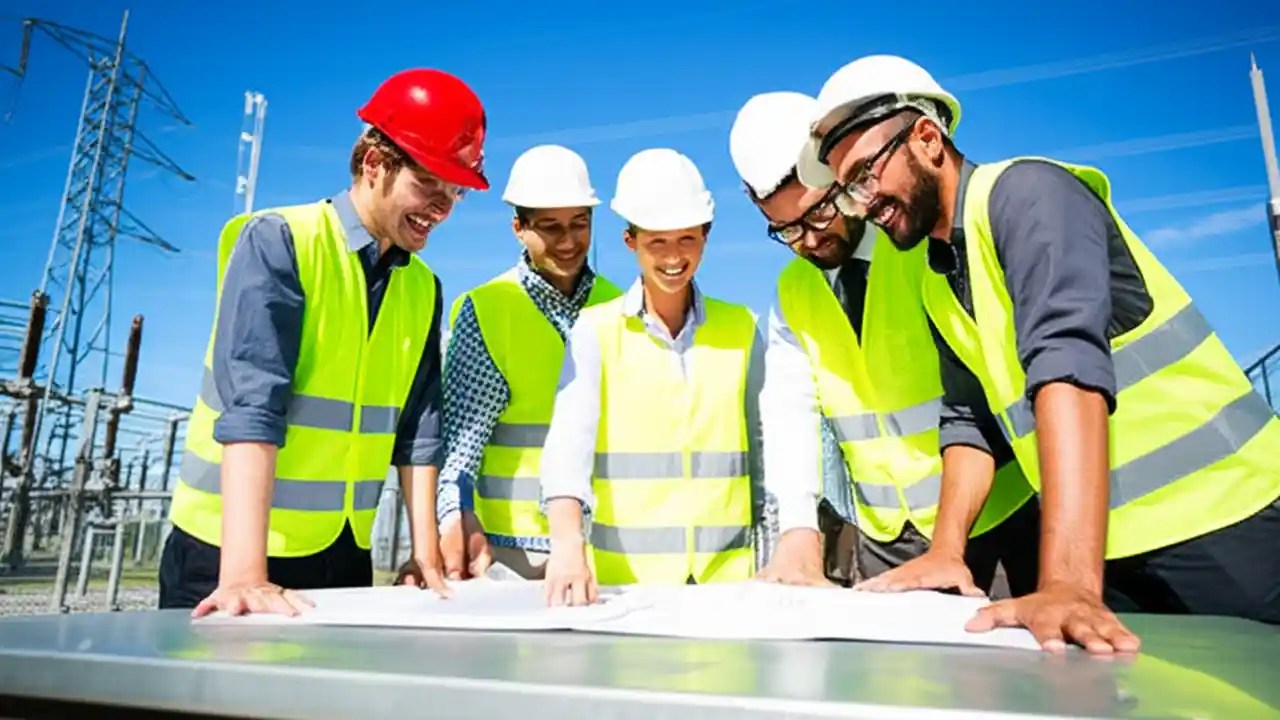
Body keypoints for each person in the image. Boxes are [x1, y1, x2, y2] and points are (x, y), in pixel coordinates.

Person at [796, 54, 1280, 654]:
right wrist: (946, 550)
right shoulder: (935, 275)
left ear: (926, 137)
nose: (862, 203)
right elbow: (970, 420)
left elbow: (1068, 367)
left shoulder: (1029, 193)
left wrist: (1068, 582)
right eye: (848, 191)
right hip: (1115, 553)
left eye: (866, 175)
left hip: (1232, 524)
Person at [160, 68, 490, 617]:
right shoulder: (281, 240)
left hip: (343, 553)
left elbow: (420, 430)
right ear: (374, 164)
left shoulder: (421, 286)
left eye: (454, 192)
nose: (442, 207)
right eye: (428, 184)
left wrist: (425, 553)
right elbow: (254, 408)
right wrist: (245, 575)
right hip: (227, 552)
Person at [729, 91, 1038, 595]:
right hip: (885, 539)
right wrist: (799, 535)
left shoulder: (921, 242)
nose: (809, 240)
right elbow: (790, 414)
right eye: (785, 230)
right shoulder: (792, 292)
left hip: (997, 519)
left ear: (841, 170)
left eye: (820, 212)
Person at [537, 148, 765, 606]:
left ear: (706, 235)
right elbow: (567, 450)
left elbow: (766, 455)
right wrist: (566, 544)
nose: (673, 257)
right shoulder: (596, 330)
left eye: (687, 240)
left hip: (729, 585)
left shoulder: (742, 327)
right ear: (630, 241)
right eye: (656, 242)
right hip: (626, 588)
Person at [437, 145, 623, 581]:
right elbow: (461, 447)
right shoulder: (487, 311)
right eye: (551, 228)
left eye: (580, 224)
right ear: (519, 228)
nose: (569, 241)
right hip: (509, 555)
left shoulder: (621, 305)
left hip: (605, 550)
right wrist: (455, 516)